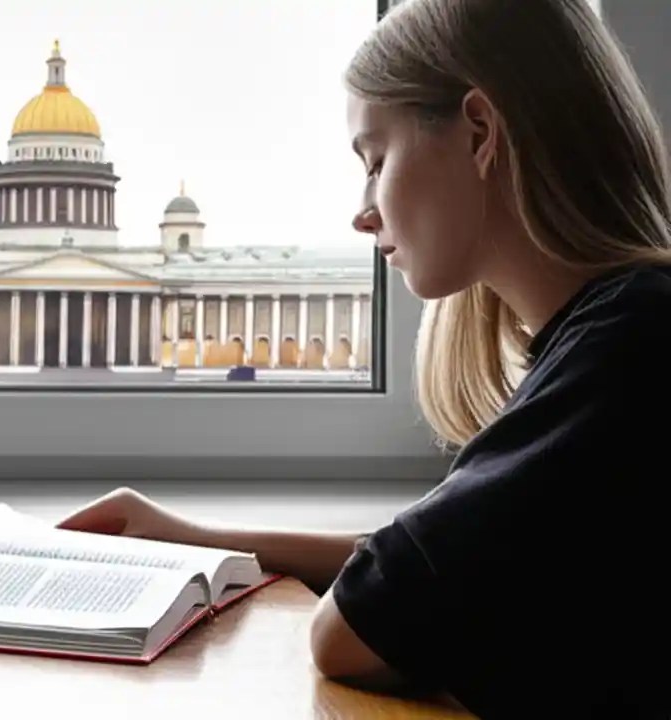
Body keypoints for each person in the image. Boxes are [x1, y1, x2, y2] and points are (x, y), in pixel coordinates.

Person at [58, 0, 671, 716]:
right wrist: (194, 541)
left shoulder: (628, 350)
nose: (363, 209)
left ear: (479, 132)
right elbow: (435, 561)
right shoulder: (619, 330)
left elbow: (354, 628)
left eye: (376, 159)